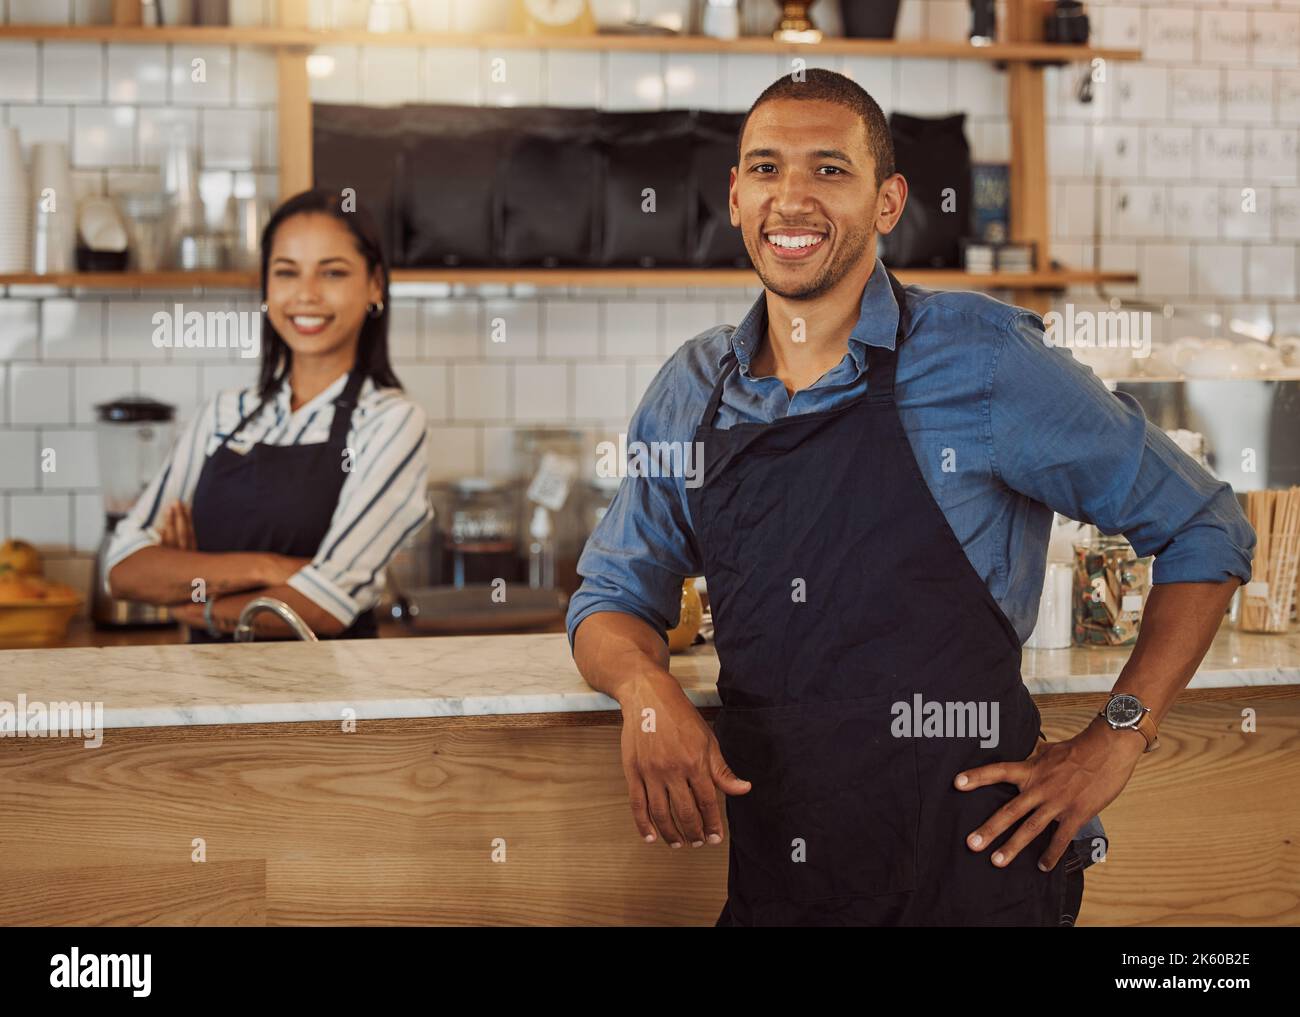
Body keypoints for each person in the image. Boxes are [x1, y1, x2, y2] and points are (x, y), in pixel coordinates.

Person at [567, 70, 1255, 926]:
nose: (792, 199)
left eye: (829, 170)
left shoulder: (983, 357)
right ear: (735, 196)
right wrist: (644, 689)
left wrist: (1119, 735)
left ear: (888, 202)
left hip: (971, 880)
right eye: (767, 169)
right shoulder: (693, 390)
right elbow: (610, 597)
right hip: (785, 885)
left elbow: (1205, 526)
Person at [108, 189, 431, 642]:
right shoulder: (223, 413)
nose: (306, 295)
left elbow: (324, 606)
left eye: (333, 272)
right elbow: (123, 567)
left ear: (374, 284)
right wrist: (269, 569)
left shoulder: (389, 421)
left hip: (329, 700)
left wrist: (193, 599)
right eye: (286, 273)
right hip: (207, 701)